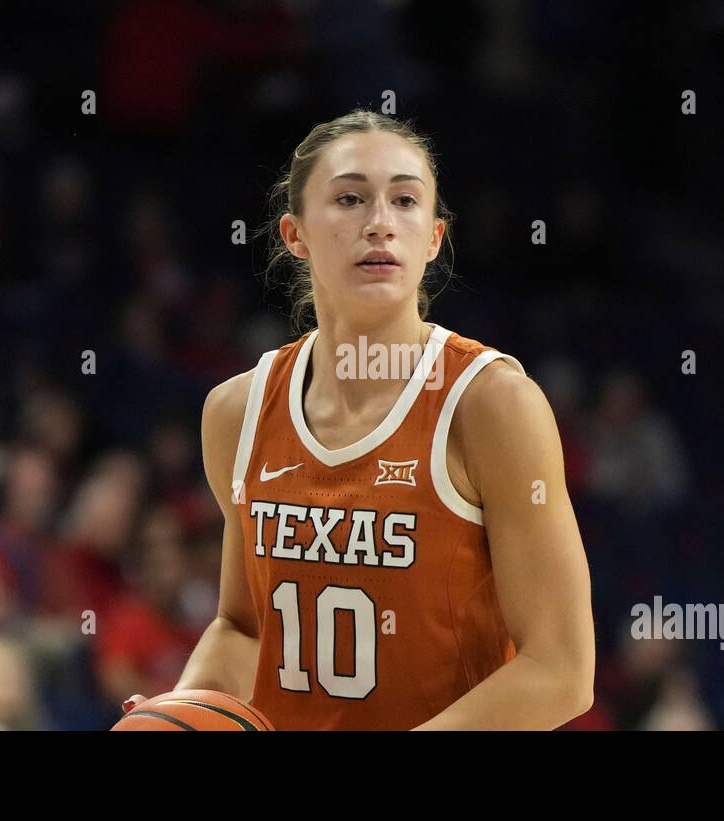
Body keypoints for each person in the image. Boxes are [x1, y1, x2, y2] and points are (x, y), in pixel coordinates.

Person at [124, 109, 594, 729]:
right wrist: (180, 711)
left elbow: (560, 670)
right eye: (350, 199)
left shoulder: (489, 404)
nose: (379, 223)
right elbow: (243, 628)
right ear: (295, 235)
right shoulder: (236, 412)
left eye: (405, 201)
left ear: (433, 238)